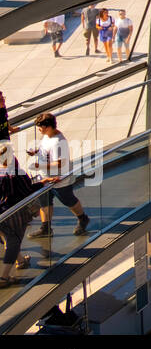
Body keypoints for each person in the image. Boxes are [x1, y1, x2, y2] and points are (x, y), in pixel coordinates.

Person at [29, 113, 91, 237]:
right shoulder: (48, 136)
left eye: (40, 127)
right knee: (44, 201)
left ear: (48, 126)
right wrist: (36, 152)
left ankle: (83, 218)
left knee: (68, 200)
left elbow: (59, 163)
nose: (39, 130)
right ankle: (45, 228)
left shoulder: (58, 142)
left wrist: (39, 166)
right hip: (46, 178)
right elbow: (47, 152)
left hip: (59, 179)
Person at [0, 142, 36, 286]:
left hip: (1, 215)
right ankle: (3, 277)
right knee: (13, 241)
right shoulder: (15, 173)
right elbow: (28, 190)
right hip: (12, 213)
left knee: (6, 238)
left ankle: (20, 260)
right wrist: (42, 183)